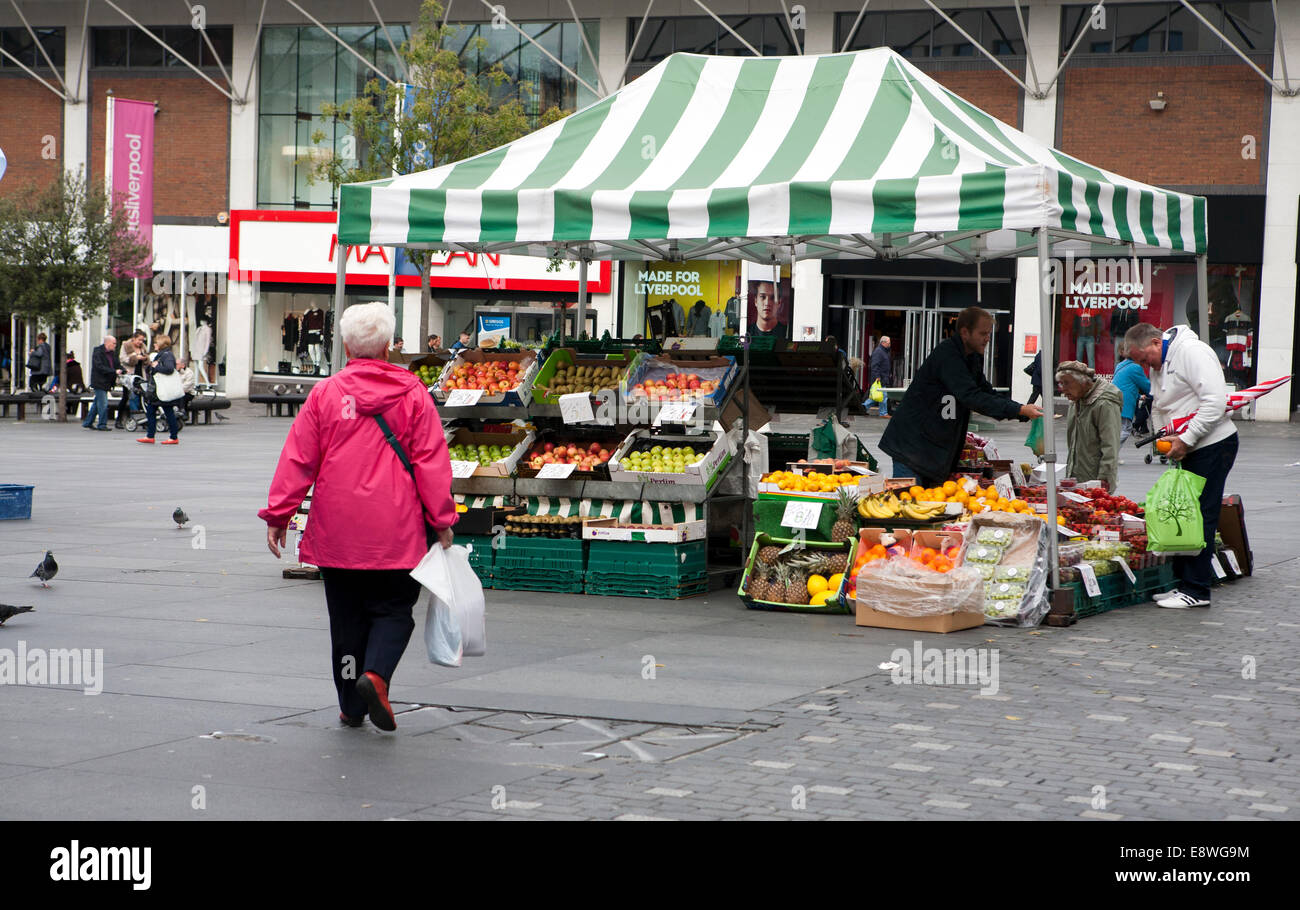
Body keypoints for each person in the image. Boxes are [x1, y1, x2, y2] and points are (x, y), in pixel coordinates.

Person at [259, 302, 457, 731]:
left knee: (346, 622)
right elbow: (430, 461)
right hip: (398, 529)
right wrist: (441, 519)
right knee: (393, 608)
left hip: (337, 529)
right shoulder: (414, 394)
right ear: (388, 345)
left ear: (346, 344)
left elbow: (298, 460)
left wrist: (279, 514)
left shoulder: (325, 394)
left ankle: (351, 702)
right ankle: (376, 676)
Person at [1125, 321, 1238, 609]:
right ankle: (1184, 585)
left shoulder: (1191, 352)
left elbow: (1215, 402)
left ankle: (1197, 591)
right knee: (1183, 513)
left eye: (1144, 359)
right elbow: (1164, 404)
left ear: (1154, 342)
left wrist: (1186, 439)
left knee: (1200, 514)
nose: (1145, 366)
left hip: (1212, 445)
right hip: (1192, 446)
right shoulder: (1161, 361)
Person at [880, 307, 1042, 487]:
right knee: (911, 505)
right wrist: (1018, 409)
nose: (987, 338)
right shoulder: (948, 355)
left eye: (989, 333)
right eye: (983, 333)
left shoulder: (971, 357)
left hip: (932, 451)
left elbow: (985, 391)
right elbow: (971, 396)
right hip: (911, 450)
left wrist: (1020, 410)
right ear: (965, 332)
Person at [1057, 361, 1122, 491]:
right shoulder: (1076, 400)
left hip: (1095, 483)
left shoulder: (1105, 404)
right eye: (1061, 383)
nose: (1062, 389)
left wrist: (1103, 480)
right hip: (1076, 479)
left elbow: (1110, 446)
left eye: (1067, 383)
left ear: (1083, 382)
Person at [136, 336, 182, 445]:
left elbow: (169, 369)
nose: (154, 344)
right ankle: (151, 435)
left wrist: (156, 367)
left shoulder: (167, 355)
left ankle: (173, 437)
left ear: (162, 344)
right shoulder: (161, 355)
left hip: (162, 390)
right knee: (152, 411)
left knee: (168, 412)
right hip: (157, 391)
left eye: (156, 343)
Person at [1111, 341, 1151, 450]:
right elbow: (1147, 386)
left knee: (1117, 429)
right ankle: (1110, 452)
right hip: (1124, 402)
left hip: (1115, 400)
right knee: (1126, 429)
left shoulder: (1120, 365)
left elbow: (1126, 385)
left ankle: (1111, 453)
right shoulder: (1135, 368)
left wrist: (1138, 396)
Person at [82, 335, 121, 431]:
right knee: (103, 403)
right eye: (114, 343)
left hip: (107, 382)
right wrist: (114, 371)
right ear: (107, 343)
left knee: (97, 403)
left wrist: (123, 370)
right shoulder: (98, 352)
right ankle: (102, 424)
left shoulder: (113, 353)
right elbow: (99, 367)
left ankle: (88, 422)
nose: (115, 345)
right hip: (99, 381)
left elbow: (117, 364)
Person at [116, 330, 148, 428]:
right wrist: (135, 358)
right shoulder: (126, 345)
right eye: (139, 340)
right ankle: (120, 419)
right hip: (129, 376)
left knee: (142, 397)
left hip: (140, 375)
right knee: (127, 397)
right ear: (134, 338)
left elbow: (147, 357)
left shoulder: (143, 347)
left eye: (142, 340)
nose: (140, 342)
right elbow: (122, 358)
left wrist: (145, 358)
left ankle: (142, 420)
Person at [868, 335, 893, 417]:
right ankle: (883, 413)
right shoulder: (879, 351)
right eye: (889, 343)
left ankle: (864, 406)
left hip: (883, 377)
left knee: (877, 396)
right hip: (880, 377)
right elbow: (875, 365)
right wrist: (877, 376)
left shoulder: (884, 351)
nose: (890, 344)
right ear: (883, 343)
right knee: (883, 396)